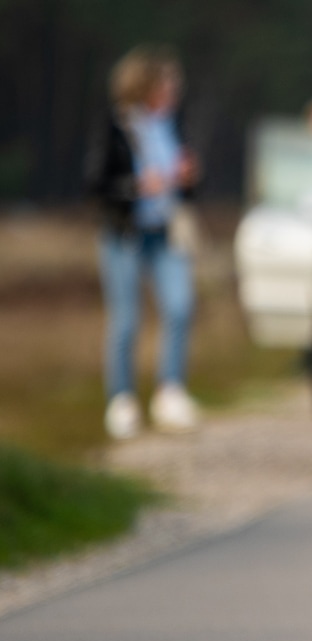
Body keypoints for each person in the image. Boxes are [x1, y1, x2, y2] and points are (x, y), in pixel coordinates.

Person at [83, 45, 202, 439]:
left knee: (180, 306)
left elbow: (182, 184)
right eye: (168, 82)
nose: (174, 89)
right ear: (146, 85)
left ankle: (170, 391)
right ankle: (122, 400)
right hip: (125, 235)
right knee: (126, 319)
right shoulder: (117, 126)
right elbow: (96, 183)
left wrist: (188, 178)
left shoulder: (172, 124)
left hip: (165, 231)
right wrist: (136, 187)